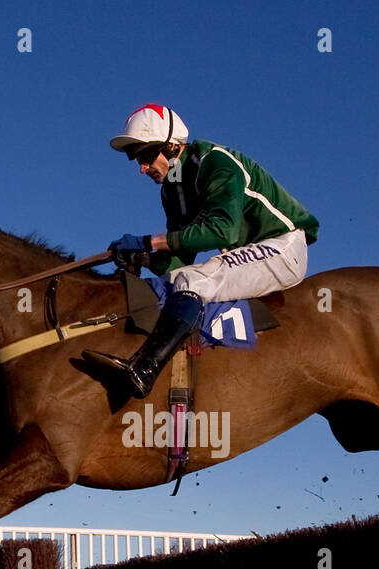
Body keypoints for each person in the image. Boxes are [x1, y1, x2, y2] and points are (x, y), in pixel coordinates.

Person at [81, 103, 320, 399]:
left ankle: (144, 370)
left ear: (171, 146)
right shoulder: (172, 188)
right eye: (135, 159)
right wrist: (142, 258)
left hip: (281, 247)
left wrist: (147, 241)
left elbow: (222, 231)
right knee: (169, 283)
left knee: (192, 282)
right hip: (247, 254)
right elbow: (181, 254)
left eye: (145, 156)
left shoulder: (215, 162)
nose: (141, 168)